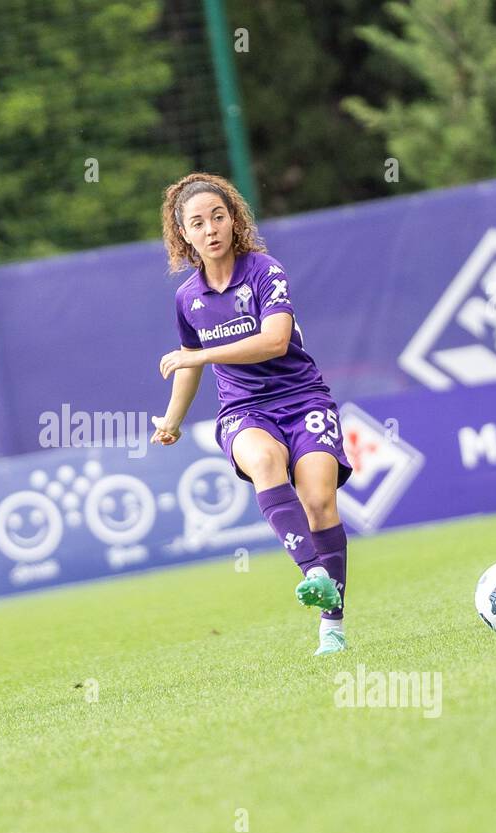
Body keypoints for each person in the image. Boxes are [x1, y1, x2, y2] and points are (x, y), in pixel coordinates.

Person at [151, 174, 352, 656]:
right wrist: (172, 421)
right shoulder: (187, 298)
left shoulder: (265, 270)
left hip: (304, 398)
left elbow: (275, 340)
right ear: (184, 235)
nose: (211, 229)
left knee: (320, 502)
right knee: (263, 461)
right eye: (197, 223)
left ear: (234, 220)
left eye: (218, 217)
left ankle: (333, 628)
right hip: (244, 409)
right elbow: (187, 366)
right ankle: (315, 573)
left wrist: (200, 355)